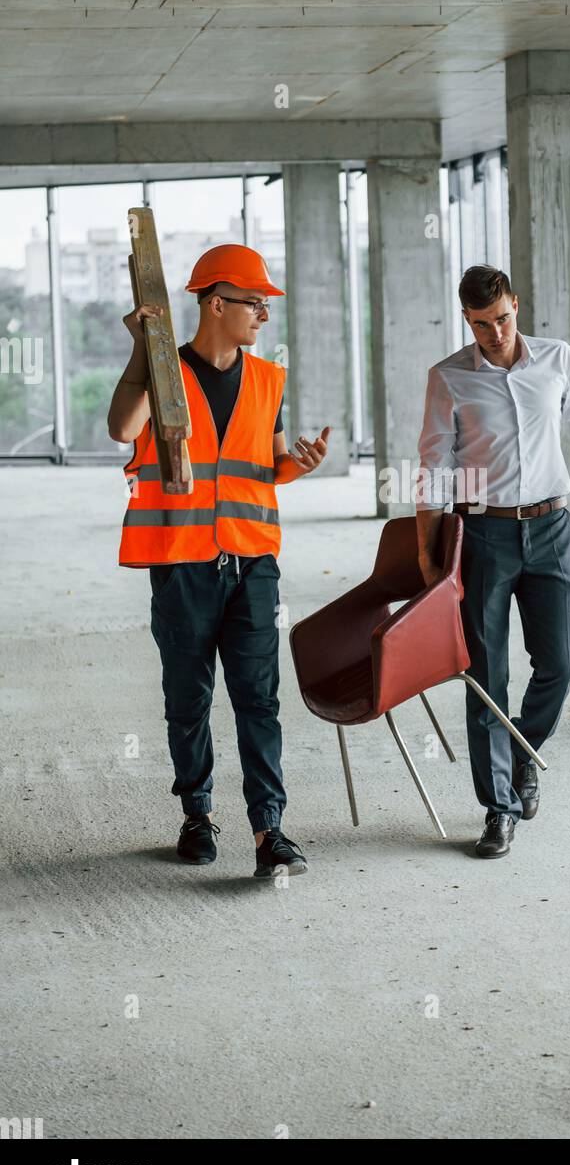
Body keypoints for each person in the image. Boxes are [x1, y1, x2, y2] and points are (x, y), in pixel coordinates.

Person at [108, 243, 330, 878]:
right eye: (253, 302)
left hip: (253, 563)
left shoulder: (268, 379)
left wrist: (299, 464)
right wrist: (141, 351)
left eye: (264, 304)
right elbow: (123, 430)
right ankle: (197, 815)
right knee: (189, 697)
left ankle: (269, 831)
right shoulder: (163, 374)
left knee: (259, 698)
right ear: (215, 303)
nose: (263, 314)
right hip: (182, 563)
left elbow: (269, 465)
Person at [415, 265, 570, 859]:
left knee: (561, 661)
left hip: (552, 528)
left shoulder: (557, 360)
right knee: (486, 676)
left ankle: (521, 755)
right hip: (482, 532)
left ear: (516, 304)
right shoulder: (449, 378)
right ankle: (498, 806)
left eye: (503, 318)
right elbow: (434, 467)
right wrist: (427, 553)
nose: (495, 333)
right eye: (481, 324)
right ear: (467, 319)